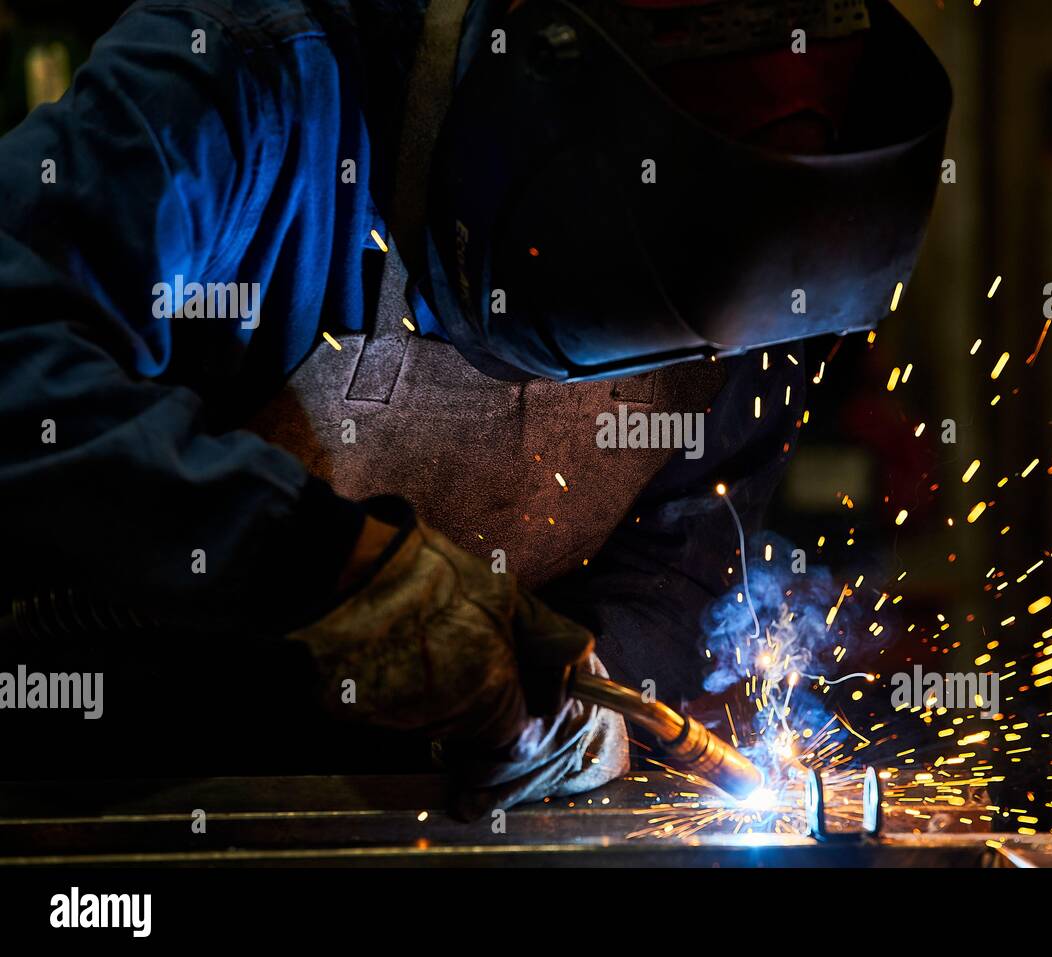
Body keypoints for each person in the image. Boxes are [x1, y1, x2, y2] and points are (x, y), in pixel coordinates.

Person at [0, 0, 949, 813]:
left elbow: (679, 568)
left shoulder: (759, 253)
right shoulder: (248, 81)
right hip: (94, 807)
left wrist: (581, 703)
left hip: (418, 826)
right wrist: (319, 558)